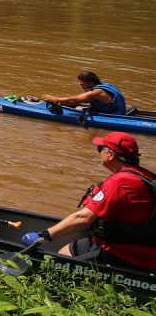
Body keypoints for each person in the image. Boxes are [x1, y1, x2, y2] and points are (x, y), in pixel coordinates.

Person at [20, 132, 155, 270]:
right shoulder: (146, 176)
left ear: (110, 155)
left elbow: (83, 218)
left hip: (123, 251)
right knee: (65, 252)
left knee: (58, 265)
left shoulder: (120, 182)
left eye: (100, 148)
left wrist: (44, 235)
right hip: (135, 243)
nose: (99, 152)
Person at [42, 71, 127, 115]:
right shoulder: (102, 86)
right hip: (113, 111)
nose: (80, 86)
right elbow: (78, 98)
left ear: (90, 82)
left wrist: (54, 99)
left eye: (82, 84)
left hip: (114, 115)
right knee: (78, 106)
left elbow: (75, 99)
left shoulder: (97, 92)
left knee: (78, 107)